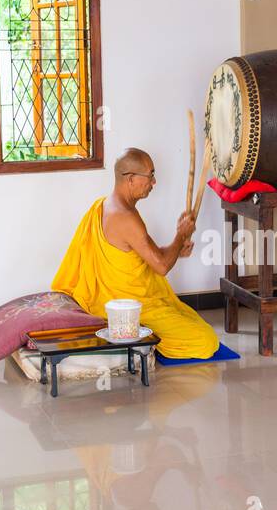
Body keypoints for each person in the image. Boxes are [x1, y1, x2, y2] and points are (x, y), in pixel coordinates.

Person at [52, 148, 221, 360]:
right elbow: (160, 266)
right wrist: (180, 235)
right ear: (130, 179)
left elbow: (147, 255)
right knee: (206, 340)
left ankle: (141, 337)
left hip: (124, 297)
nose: (154, 182)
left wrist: (177, 249)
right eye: (150, 176)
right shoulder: (126, 217)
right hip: (127, 305)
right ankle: (140, 339)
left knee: (189, 317)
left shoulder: (106, 204)